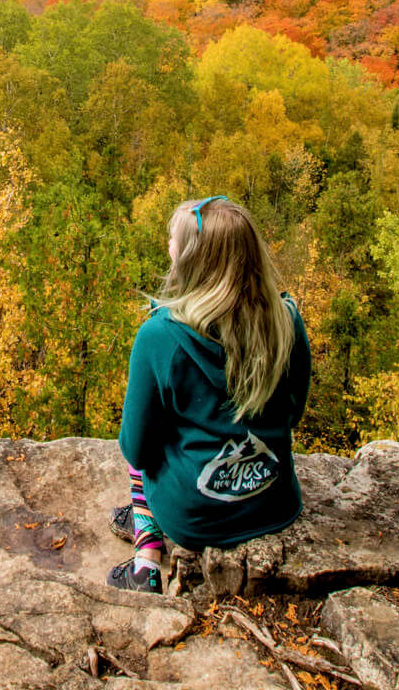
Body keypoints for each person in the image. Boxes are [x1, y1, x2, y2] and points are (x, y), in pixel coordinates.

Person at [108, 195, 311, 594]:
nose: (168, 246)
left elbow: (136, 448)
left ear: (192, 262)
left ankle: (146, 557)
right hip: (274, 504)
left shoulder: (159, 336)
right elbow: (294, 411)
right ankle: (145, 531)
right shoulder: (286, 322)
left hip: (192, 519)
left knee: (143, 447)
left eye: (173, 240)